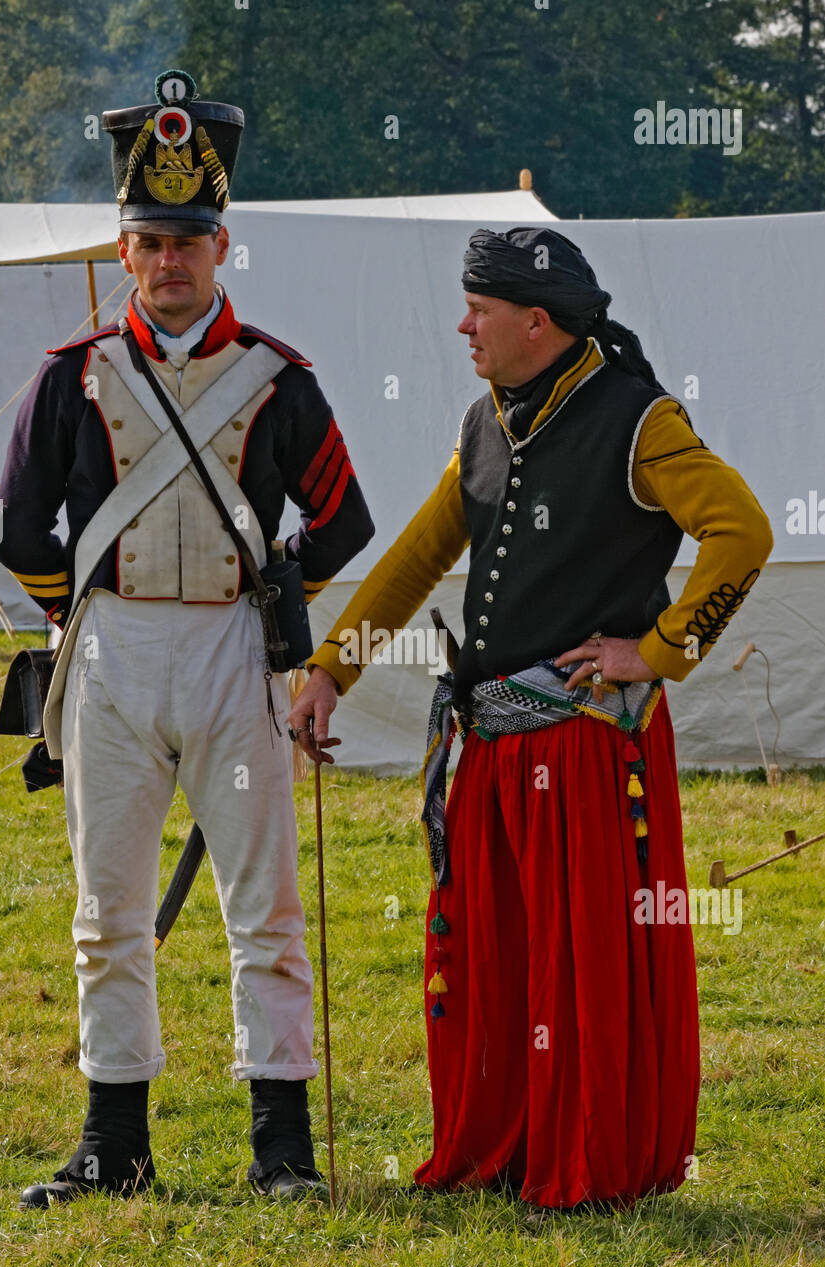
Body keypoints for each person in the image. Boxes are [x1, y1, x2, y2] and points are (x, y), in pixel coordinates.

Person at [290, 226, 773, 1210]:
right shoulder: (487, 421)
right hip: (492, 744)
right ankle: (504, 1142)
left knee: (576, 958)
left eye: (479, 311)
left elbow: (742, 530)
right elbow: (418, 555)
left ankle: (587, 1154)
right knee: (500, 953)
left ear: (534, 321)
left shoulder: (638, 421)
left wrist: (658, 650)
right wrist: (332, 666)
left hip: (588, 745)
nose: (463, 326)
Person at [0, 70, 374, 1208]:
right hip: (111, 655)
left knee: (264, 906)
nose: (170, 262)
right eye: (152, 240)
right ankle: (115, 1141)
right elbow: (19, 528)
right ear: (123, 250)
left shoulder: (279, 380)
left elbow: (343, 516)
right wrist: (79, 613)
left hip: (227, 656)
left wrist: (278, 587)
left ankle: (283, 1150)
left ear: (222, 249)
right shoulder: (71, 379)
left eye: (189, 242)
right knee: (107, 910)